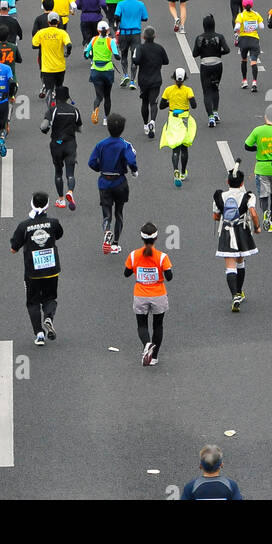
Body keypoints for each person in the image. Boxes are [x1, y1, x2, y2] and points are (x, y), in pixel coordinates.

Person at [10, 192, 64, 345]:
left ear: (32, 204)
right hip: (52, 268)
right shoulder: (53, 222)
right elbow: (58, 235)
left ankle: (39, 334)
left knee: (33, 302)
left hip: (32, 272)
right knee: (50, 297)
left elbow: (13, 249)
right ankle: (48, 317)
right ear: (47, 205)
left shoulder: (24, 226)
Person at [213, 161, 261, 313]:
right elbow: (253, 213)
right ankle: (239, 292)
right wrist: (257, 227)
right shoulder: (248, 196)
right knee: (240, 261)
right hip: (242, 231)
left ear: (227, 182)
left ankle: (234, 295)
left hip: (227, 231)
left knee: (230, 266)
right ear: (242, 183)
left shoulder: (219, 195)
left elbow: (215, 216)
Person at [88, 113, 138, 255]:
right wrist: (134, 171)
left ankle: (107, 231)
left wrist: (101, 169)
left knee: (106, 213)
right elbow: (131, 161)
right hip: (120, 182)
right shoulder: (125, 144)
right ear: (122, 128)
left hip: (104, 181)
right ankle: (115, 244)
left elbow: (91, 162)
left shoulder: (101, 145)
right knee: (119, 212)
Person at [124, 223, 172, 366]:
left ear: (141, 237)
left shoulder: (133, 255)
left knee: (142, 325)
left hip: (140, 294)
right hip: (158, 294)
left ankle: (147, 344)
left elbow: (126, 273)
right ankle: (154, 357)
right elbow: (169, 277)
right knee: (158, 326)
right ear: (156, 238)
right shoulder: (162, 257)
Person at [40, 83, 81, 209]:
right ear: (68, 97)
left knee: (58, 172)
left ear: (56, 97)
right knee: (70, 173)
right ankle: (70, 191)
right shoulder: (74, 110)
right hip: (70, 144)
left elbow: (43, 127)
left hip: (57, 145)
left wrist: (47, 129)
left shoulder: (53, 110)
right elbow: (80, 127)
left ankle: (61, 199)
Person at [158, 66, 197, 187]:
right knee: (184, 147)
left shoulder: (168, 90)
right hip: (184, 119)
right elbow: (194, 105)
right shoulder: (188, 90)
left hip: (173, 119)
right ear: (184, 78)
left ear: (174, 77)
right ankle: (183, 172)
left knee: (175, 148)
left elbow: (161, 106)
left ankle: (175, 170)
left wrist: (171, 102)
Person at [133, 27, 170, 139]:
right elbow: (166, 61)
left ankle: (145, 124)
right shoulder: (159, 48)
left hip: (143, 80)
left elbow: (136, 60)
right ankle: (153, 121)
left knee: (144, 102)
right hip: (156, 79)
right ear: (154, 36)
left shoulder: (140, 48)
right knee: (153, 103)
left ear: (143, 37)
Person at [234, 0, 264, 92]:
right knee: (254, 62)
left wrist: (237, 32)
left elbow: (237, 27)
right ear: (252, 5)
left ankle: (245, 80)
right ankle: (254, 82)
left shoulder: (241, 15)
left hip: (243, 40)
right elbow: (262, 26)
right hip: (254, 40)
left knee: (244, 59)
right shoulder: (256, 14)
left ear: (243, 5)